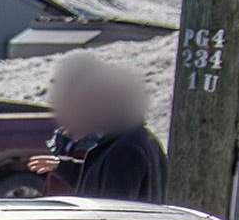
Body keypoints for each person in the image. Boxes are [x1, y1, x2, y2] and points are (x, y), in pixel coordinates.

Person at [27, 56, 166, 202]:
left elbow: (114, 210)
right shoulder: (135, 139)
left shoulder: (125, 148)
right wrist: (64, 166)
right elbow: (102, 177)